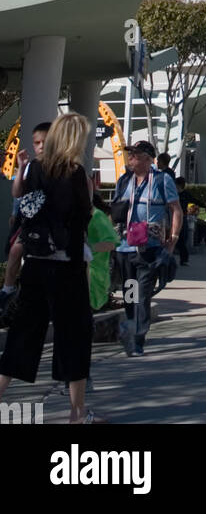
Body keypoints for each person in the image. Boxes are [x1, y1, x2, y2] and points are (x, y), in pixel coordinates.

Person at [0, 113, 101, 424]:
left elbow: (23, 200)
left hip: (35, 263)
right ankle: (76, 414)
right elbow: (84, 217)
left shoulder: (35, 170)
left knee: (23, 335)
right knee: (74, 337)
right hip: (66, 267)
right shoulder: (75, 173)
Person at [113, 141, 183, 356]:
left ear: (147, 158)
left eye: (134, 155)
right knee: (130, 293)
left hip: (150, 249)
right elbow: (115, 211)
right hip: (125, 247)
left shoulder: (162, 180)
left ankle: (137, 339)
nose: (130, 158)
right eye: (130, 155)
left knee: (143, 294)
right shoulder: (124, 180)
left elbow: (176, 210)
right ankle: (132, 327)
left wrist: (173, 239)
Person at [0, 121, 51, 320]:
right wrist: (21, 167)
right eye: (36, 142)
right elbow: (18, 193)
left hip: (54, 231)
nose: (40, 146)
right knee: (14, 251)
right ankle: (8, 289)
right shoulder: (32, 167)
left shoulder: (68, 168)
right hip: (30, 223)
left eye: (44, 142)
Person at [87, 192, 119, 312]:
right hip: (84, 272)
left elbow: (111, 243)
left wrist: (86, 249)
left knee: (133, 286)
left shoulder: (97, 215)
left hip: (95, 273)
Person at [173, 176, 193, 265]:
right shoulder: (174, 194)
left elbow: (194, 200)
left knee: (182, 239)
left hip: (183, 217)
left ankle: (184, 259)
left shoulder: (185, 194)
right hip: (175, 217)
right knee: (177, 239)